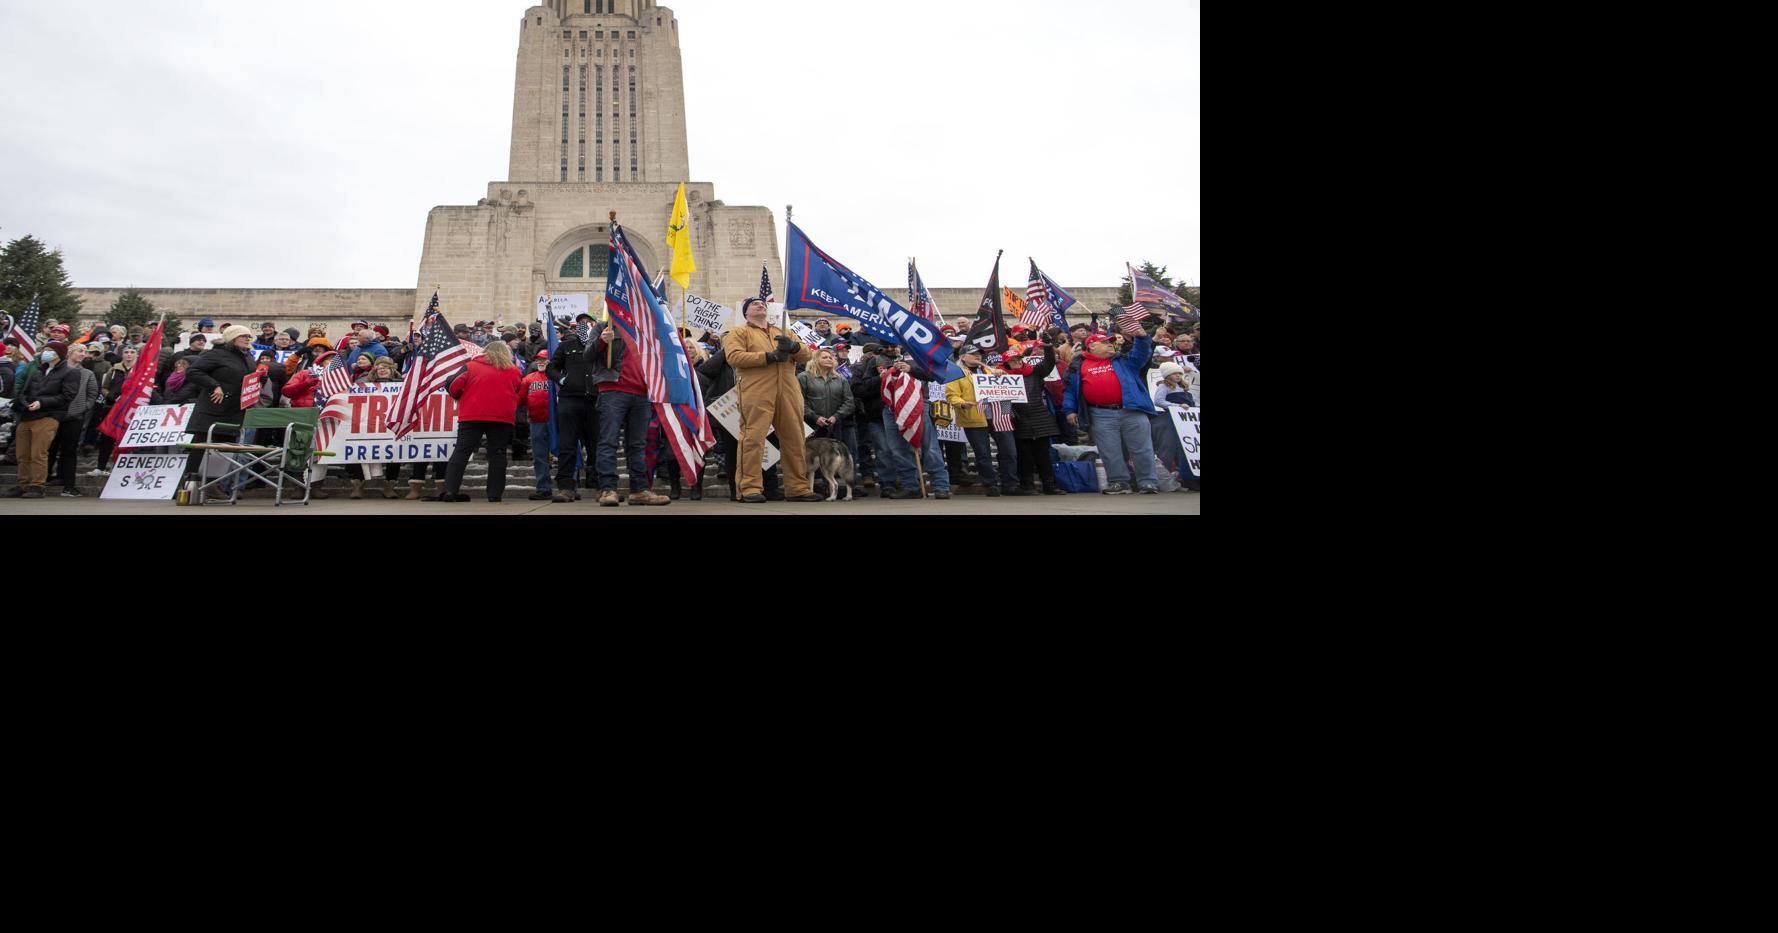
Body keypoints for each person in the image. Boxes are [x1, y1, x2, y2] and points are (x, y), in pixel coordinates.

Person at [722, 298, 821, 504]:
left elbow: (807, 354)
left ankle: (797, 488)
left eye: (762, 304)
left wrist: (794, 347)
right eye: (754, 304)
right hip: (756, 390)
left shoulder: (784, 332)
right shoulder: (739, 332)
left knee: (795, 439)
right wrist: (769, 356)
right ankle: (749, 488)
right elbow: (734, 357)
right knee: (753, 438)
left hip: (788, 390)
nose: (760, 305)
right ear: (746, 312)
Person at [584, 316, 672, 507]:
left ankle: (639, 490)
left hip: (642, 392)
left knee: (638, 444)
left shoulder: (647, 329)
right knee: (608, 441)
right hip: (613, 389)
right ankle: (608, 489)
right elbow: (587, 356)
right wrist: (601, 341)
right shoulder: (604, 326)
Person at [1062, 330, 1161, 495]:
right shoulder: (1077, 366)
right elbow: (1070, 390)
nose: (1110, 345)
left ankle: (1148, 482)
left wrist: (1142, 337)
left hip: (1132, 410)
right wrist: (1070, 410)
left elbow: (1142, 352)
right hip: (1100, 413)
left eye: (1110, 342)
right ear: (1091, 346)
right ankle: (1119, 482)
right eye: (1105, 342)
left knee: (1142, 448)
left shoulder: (1124, 360)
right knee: (1109, 451)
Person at [439, 339, 522, 503]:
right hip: (502, 417)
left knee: (461, 452)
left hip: (472, 414)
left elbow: (453, 384)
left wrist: (459, 396)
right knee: (498, 454)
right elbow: (517, 390)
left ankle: (450, 490)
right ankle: (494, 494)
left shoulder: (471, 366)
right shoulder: (514, 370)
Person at [180, 325, 258, 481]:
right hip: (212, 409)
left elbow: (244, 379)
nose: (247, 339)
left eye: (249, 336)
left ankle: (213, 484)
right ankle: (190, 483)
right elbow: (193, 371)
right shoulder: (216, 354)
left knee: (224, 451)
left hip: (234, 411)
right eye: (243, 336)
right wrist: (214, 386)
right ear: (232, 338)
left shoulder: (248, 357)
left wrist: (259, 379)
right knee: (201, 448)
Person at [3, 342, 80, 498]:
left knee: (38, 453)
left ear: (59, 353)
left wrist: (42, 402)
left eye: (50, 350)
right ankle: (23, 484)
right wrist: (23, 402)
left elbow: (67, 396)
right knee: (22, 453)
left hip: (48, 415)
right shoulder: (38, 371)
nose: (46, 353)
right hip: (27, 415)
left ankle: (36, 486)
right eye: (45, 350)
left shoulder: (70, 372)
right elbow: (26, 391)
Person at [947, 345, 1022, 497]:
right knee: (983, 454)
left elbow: (1007, 386)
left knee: (1009, 451)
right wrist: (962, 403)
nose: (977, 356)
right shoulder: (956, 374)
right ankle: (990, 484)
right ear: (962, 357)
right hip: (974, 417)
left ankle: (1010, 484)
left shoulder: (990, 371)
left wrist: (1002, 374)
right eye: (972, 354)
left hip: (998, 416)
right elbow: (951, 395)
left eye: (979, 354)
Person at [545, 315, 603, 503]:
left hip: (595, 401)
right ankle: (565, 487)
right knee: (567, 445)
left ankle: (601, 486)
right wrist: (563, 380)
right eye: (581, 323)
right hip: (570, 400)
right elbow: (551, 369)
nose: (584, 326)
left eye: (588, 322)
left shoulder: (602, 346)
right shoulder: (566, 346)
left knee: (597, 446)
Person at [999, 336, 1065, 495]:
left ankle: (1049, 485)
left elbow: (1049, 363)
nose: (1017, 362)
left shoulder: (1033, 372)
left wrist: (1048, 346)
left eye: (1018, 359)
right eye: (1013, 360)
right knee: (1024, 456)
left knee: (1043, 455)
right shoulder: (999, 376)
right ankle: (1027, 485)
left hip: (1038, 417)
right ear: (1006, 363)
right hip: (1017, 419)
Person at [797, 347, 858, 496]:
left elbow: (849, 402)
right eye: (824, 357)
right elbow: (798, 401)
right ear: (815, 359)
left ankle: (835, 489)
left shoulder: (840, 379)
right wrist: (814, 417)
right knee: (810, 460)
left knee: (833, 458)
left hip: (834, 425)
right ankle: (814, 488)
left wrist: (836, 416)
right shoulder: (803, 377)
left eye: (831, 357)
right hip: (810, 425)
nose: (829, 359)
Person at [45, 343, 99, 496]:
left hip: (74, 416)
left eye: (85, 351)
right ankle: (44, 479)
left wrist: (84, 407)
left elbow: (92, 393)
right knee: (50, 448)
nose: (83, 354)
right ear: (69, 352)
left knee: (69, 450)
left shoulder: (87, 373)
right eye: (80, 351)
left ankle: (69, 485)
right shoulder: (56, 370)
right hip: (54, 415)